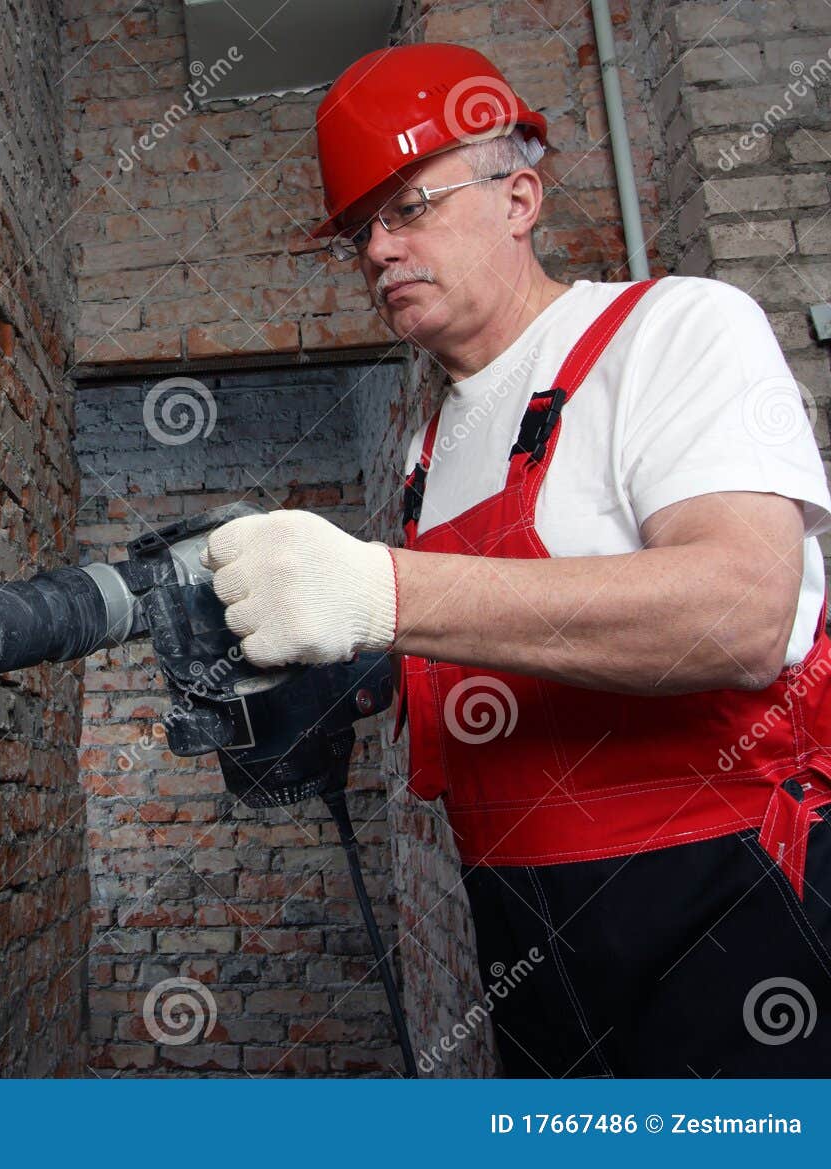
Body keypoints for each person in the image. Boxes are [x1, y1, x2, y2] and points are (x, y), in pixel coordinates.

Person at [200, 43, 831, 1076]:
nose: (379, 249)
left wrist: (376, 588)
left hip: (729, 898)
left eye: (410, 207)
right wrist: (330, 680)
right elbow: (482, 637)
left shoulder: (673, 331)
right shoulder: (427, 449)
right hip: (521, 917)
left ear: (518, 199)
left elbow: (741, 612)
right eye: (360, 231)